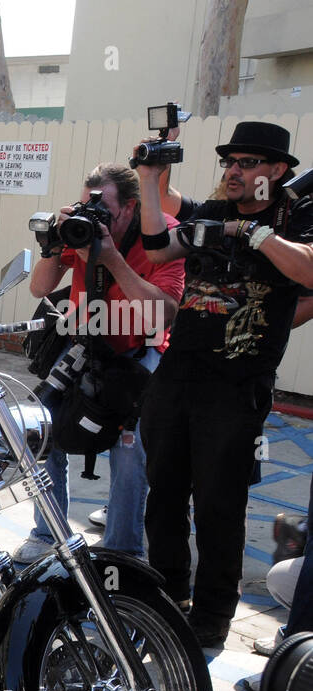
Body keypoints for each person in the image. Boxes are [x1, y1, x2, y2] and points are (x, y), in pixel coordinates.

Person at [137, 121, 313, 648]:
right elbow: (157, 247)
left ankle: (212, 616)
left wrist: (252, 233)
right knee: (163, 494)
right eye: (229, 163)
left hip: (238, 384)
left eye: (247, 163)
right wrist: (148, 181)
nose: (233, 172)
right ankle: (168, 597)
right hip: (178, 373)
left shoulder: (297, 212)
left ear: (277, 171)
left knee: (219, 503)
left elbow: (308, 270)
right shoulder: (213, 212)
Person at [11, 163, 185, 565]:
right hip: (83, 345)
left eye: (103, 206)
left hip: (138, 352)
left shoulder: (164, 235)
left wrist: (108, 257)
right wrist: (55, 242)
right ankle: (48, 533)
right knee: (40, 431)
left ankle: (123, 549)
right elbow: (39, 286)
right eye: (88, 204)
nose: (94, 214)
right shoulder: (82, 229)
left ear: (131, 207)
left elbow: (164, 313)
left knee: (130, 449)